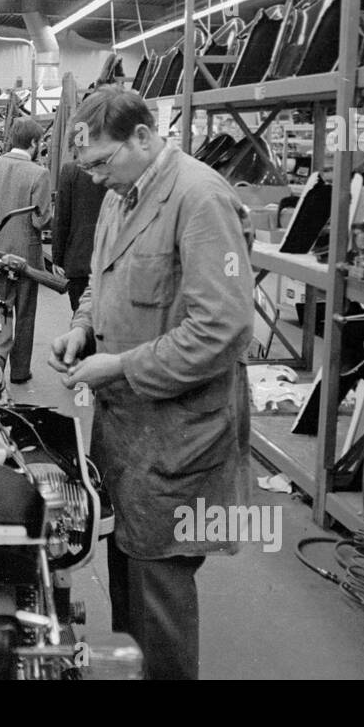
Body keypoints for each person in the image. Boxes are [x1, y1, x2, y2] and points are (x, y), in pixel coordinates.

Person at [48, 86, 252, 680]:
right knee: (129, 575)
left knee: (158, 588)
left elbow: (224, 328)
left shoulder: (199, 197)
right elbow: (102, 283)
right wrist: (83, 328)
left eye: (101, 163)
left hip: (177, 435)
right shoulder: (121, 194)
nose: (93, 179)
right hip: (127, 432)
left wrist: (122, 366)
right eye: (84, 168)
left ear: (143, 136)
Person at [0, 117, 52, 383]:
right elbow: (41, 220)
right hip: (26, 256)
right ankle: (19, 371)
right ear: (33, 143)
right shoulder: (39, 173)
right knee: (24, 313)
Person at [52, 156, 106, 312]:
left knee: (80, 314)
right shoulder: (118, 167)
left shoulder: (70, 169)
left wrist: (58, 257)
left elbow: (62, 216)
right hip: (110, 259)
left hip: (78, 258)